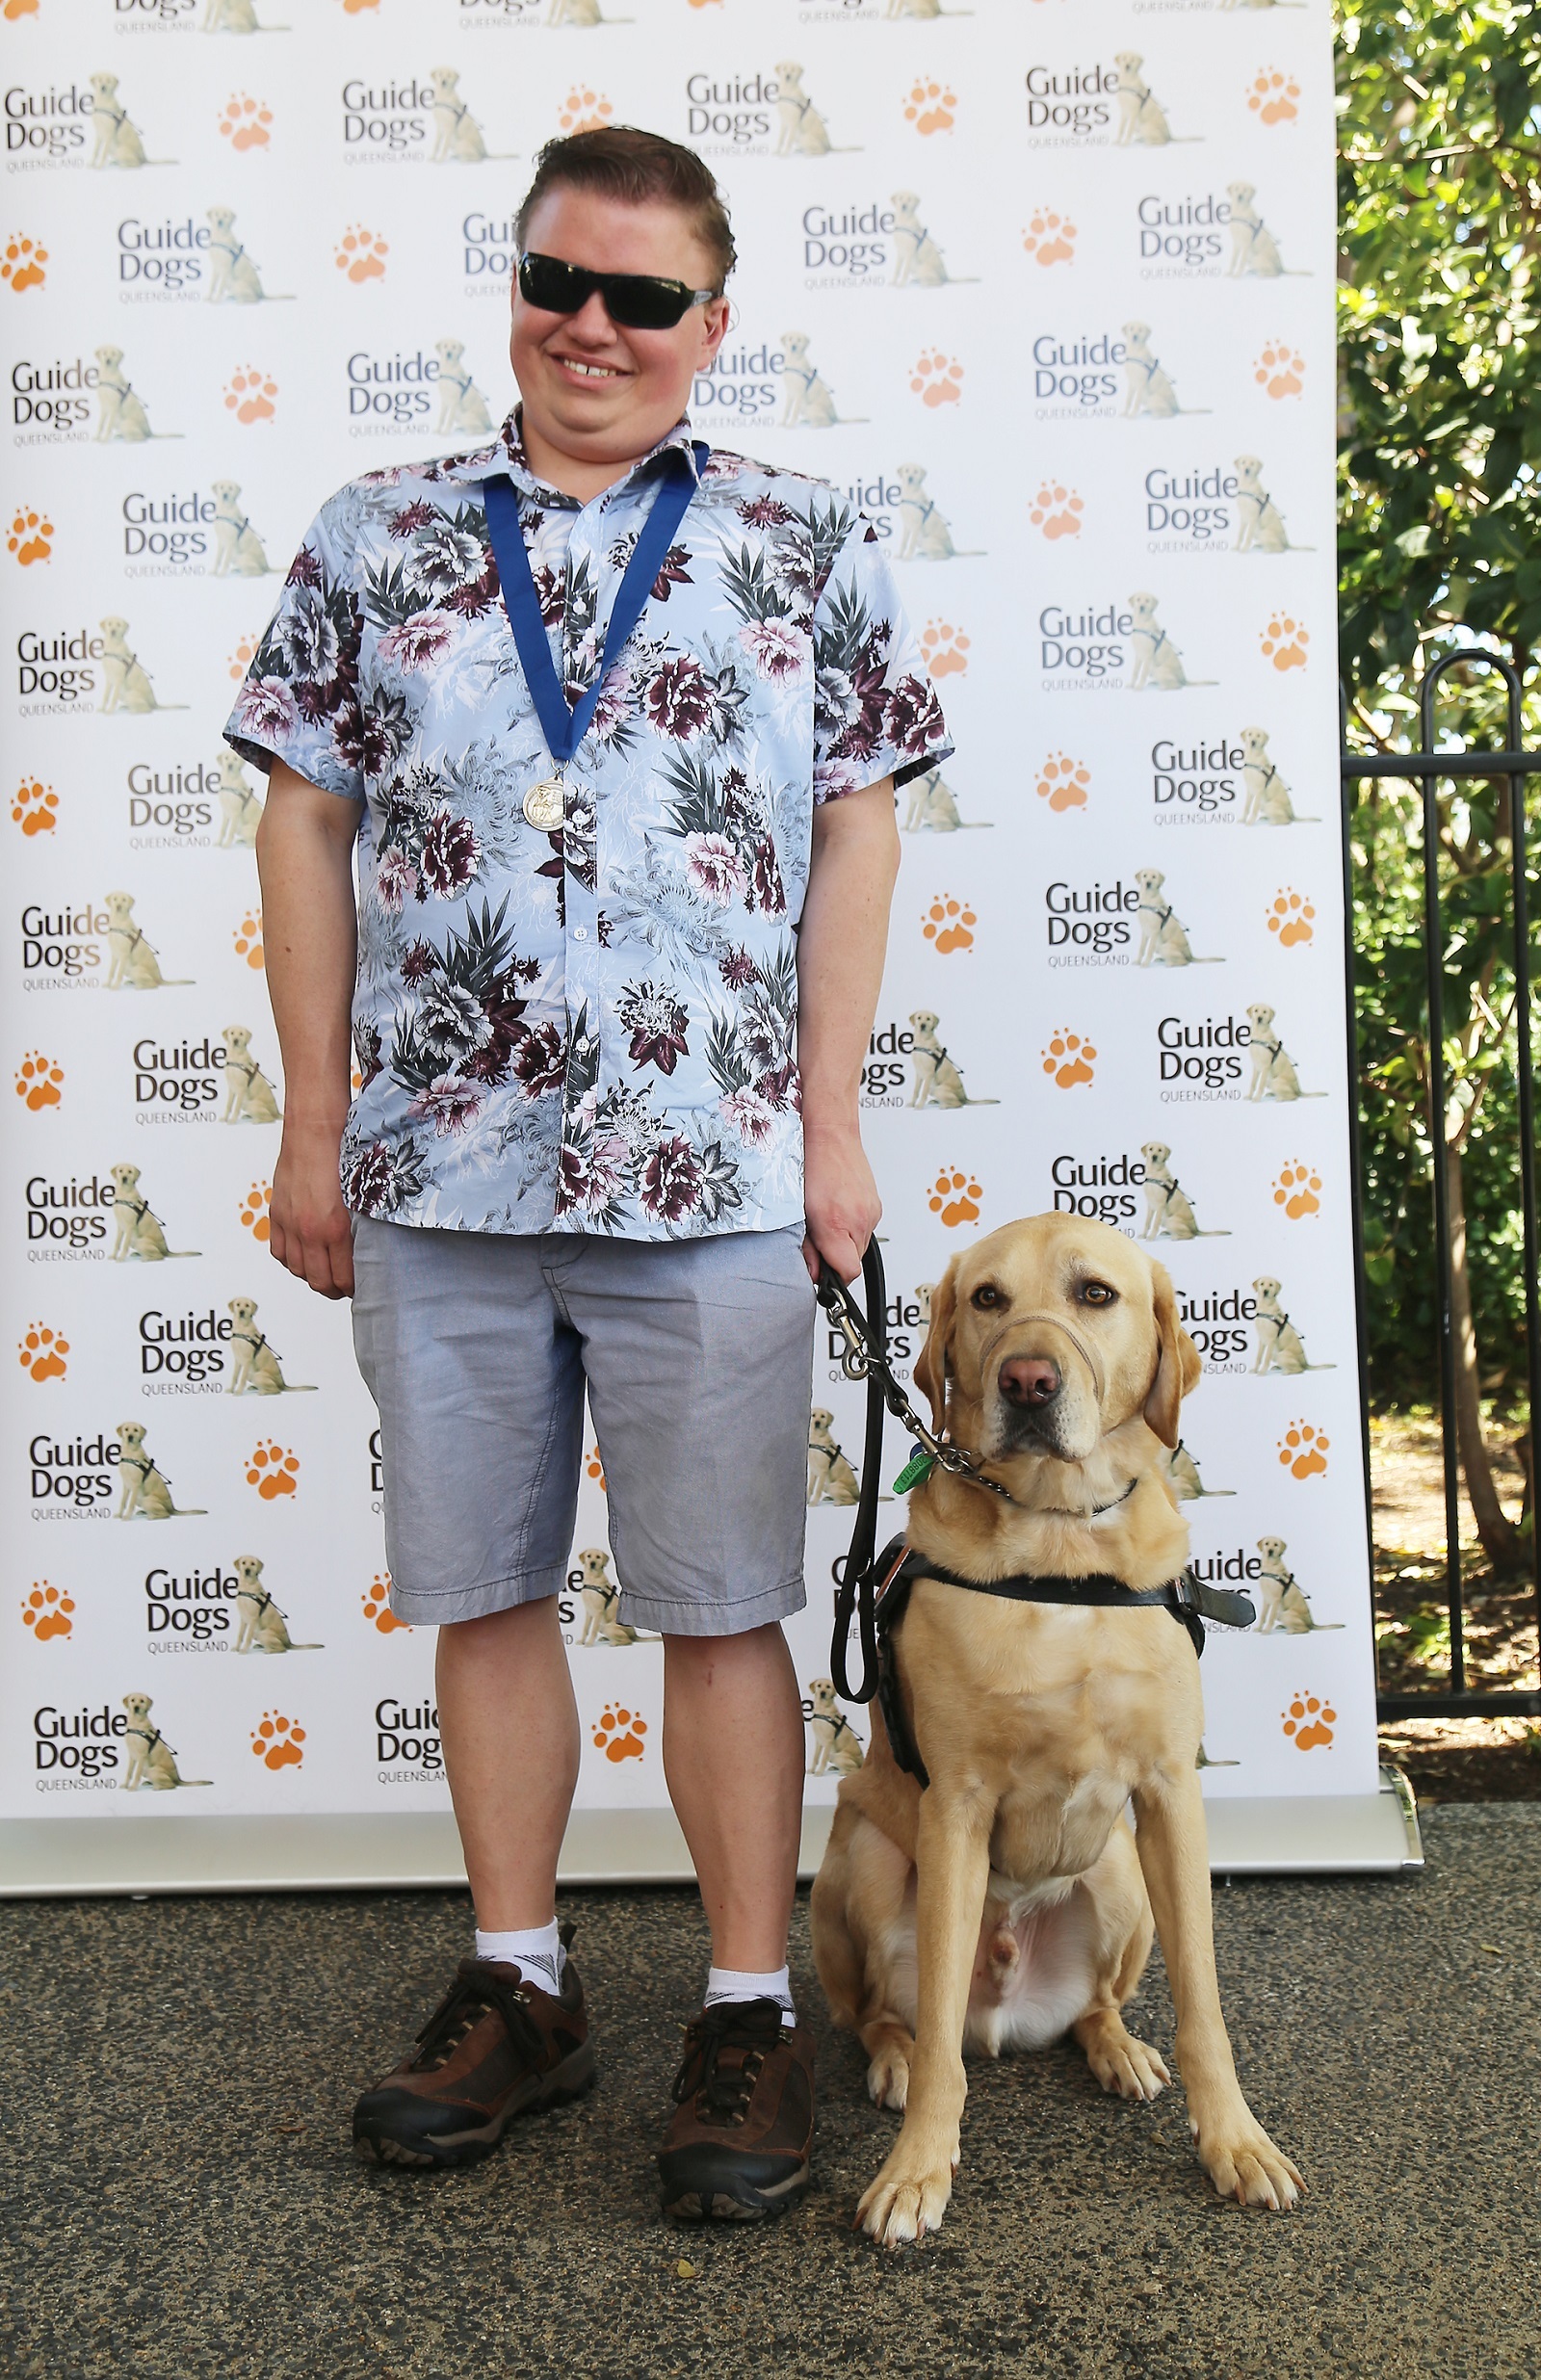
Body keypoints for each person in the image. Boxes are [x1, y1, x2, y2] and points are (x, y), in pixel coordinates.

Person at [229, 125, 952, 2222]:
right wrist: (307, 1122)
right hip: (436, 1170)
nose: (593, 327)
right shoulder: (374, 537)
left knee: (722, 1605)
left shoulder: (811, 538)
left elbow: (853, 836)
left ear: (712, 325)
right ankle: (521, 1982)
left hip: (711, 1173)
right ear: (514, 284)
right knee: (483, 1593)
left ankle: (745, 2011)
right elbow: (298, 825)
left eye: (645, 297)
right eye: (561, 279)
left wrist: (825, 1128)